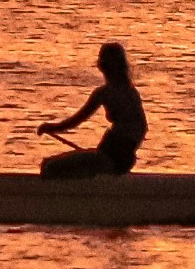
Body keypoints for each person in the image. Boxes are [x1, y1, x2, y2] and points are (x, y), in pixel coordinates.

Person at [39, 42, 149, 179]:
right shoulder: (131, 92)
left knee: (50, 167)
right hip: (113, 158)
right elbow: (142, 128)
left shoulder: (105, 93)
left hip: (108, 159)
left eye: (104, 65)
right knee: (54, 165)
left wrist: (49, 127)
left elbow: (75, 121)